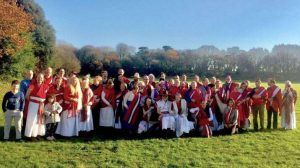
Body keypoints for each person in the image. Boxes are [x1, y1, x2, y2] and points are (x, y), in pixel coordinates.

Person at [25, 73, 48, 140]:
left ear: (43, 79)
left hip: (41, 105)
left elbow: (45, 95)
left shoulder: (46, 86)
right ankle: (30, 135)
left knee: (39, 120)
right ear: (36, 78)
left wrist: (40, 103)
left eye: (41, 78)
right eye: (38, 77)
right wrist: (33, 102)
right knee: (32, 119)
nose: (39, 79)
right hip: (33, 104)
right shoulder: (32, 85)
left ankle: (37, 134)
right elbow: (27, 95)